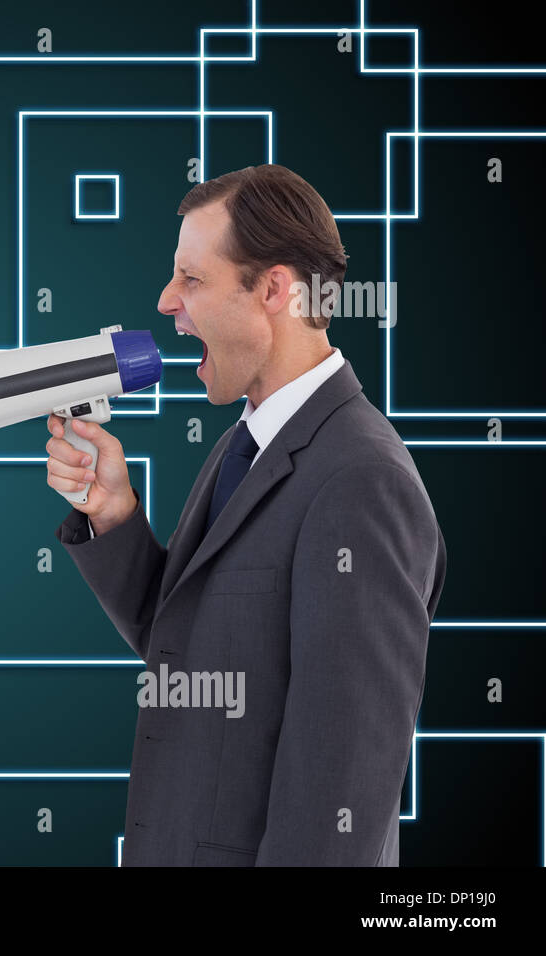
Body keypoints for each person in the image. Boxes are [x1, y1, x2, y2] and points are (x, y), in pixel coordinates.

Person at [47, 164, 446, 866]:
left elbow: (340, 793)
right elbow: (197, 650)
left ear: (273, 290)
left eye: (192, 279)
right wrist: (116, 516)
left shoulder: (362, 481)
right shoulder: (248, 443)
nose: (167, 300)